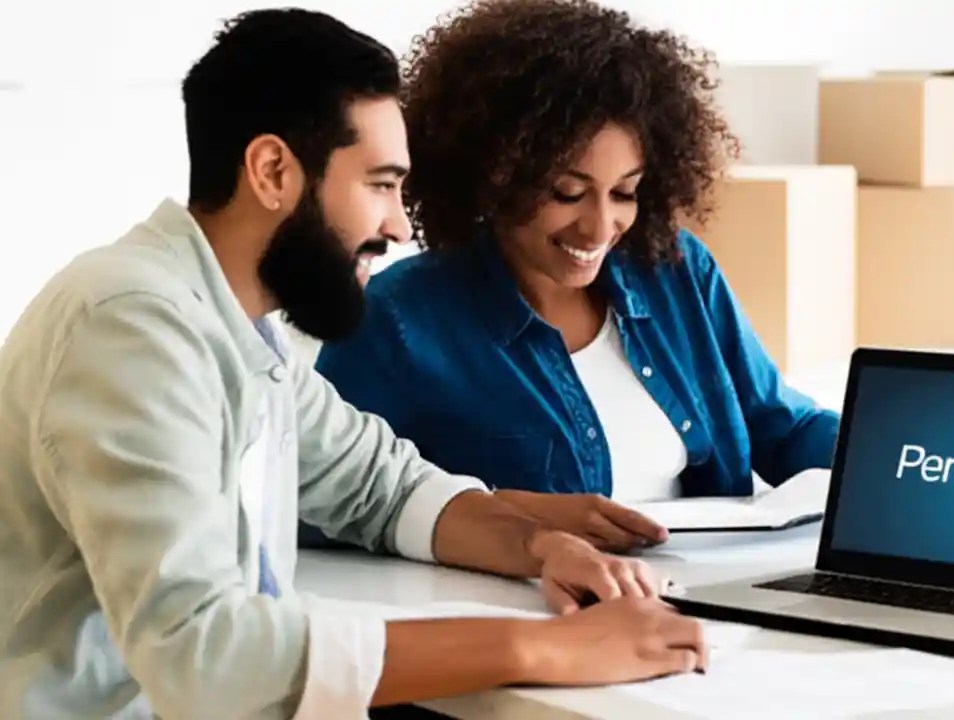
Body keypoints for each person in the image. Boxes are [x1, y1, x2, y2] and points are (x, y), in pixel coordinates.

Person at [0, 9, 706, 720]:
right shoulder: (131, 326)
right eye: (380, 184)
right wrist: (547, 650)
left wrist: (541, 547)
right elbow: (203, 655)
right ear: (273, 170)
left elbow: (382, 486)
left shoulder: (235, 327)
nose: (400, 225)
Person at [309, 0, 841, 553]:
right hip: (531, 613)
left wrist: (901, 458)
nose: (599, 227)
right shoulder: (399, 317)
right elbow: (311, 500)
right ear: (496, 173)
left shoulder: (677, 271)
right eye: (567, 193)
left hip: (712, 599)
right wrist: (506, 511)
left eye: (625, 192)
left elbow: (783, 426)